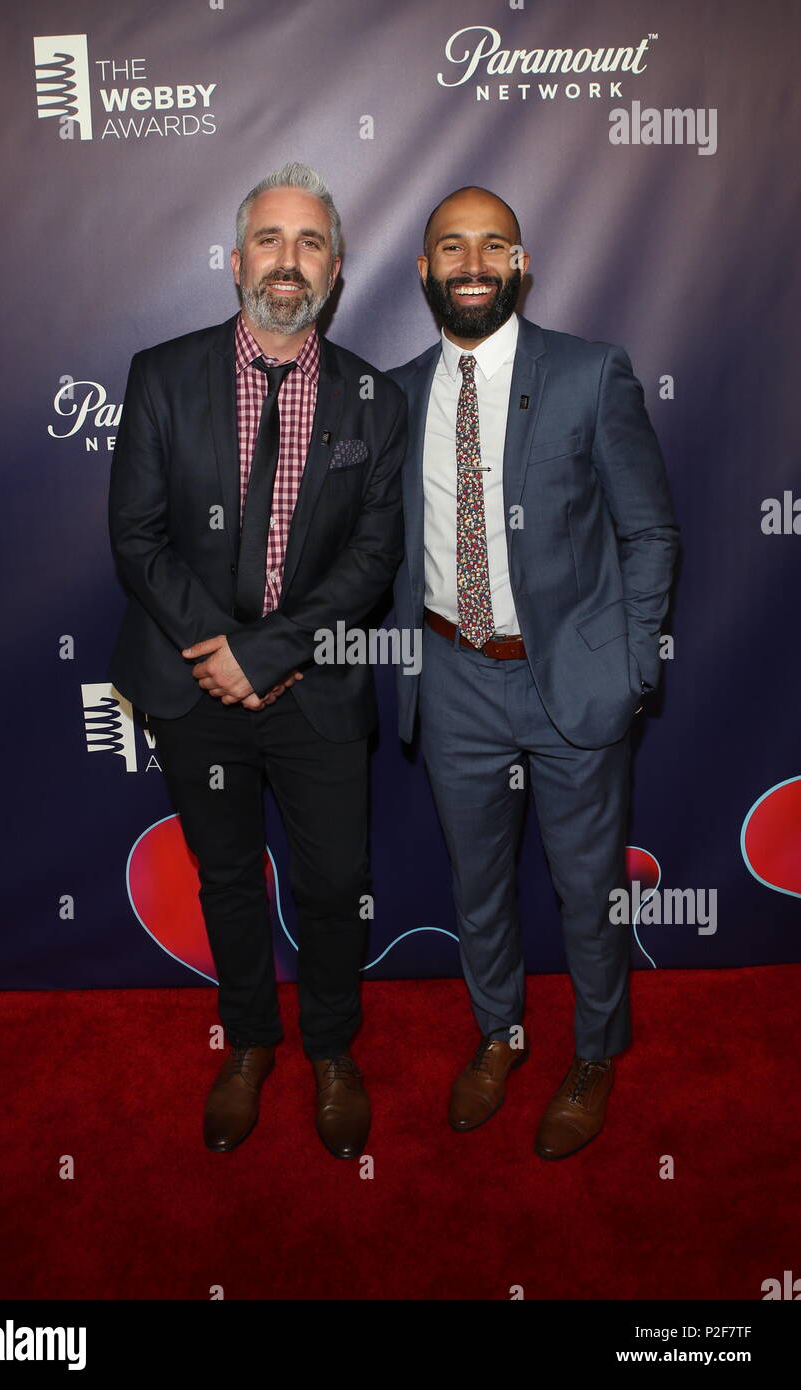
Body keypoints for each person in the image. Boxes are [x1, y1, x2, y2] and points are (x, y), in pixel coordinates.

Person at [108, 163, 406, 1159]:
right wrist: (222, 654)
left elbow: (372, 559)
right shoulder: (161, 373)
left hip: (314, 685)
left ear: (335, 268)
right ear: (236, 261)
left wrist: (270, 652)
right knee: (227, 876)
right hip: (193, 686)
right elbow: (138, 535)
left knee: (334, 881)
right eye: (270, 241)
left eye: (310, 242)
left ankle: (328, 1046)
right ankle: (246, 1043)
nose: (288, 262)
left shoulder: (371, 398)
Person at [389, 186, 678, 1159]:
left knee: (586, 889)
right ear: (423, 270)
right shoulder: (391, 395)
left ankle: (592, 1053)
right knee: (478, 890)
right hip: (452, 679)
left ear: (519, 264)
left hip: (570, 688)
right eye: (450, 248)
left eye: (492, 245)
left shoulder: (590, 374)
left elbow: (647, 530)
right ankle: (498, 1035)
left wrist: (631, 663)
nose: (471, 262)